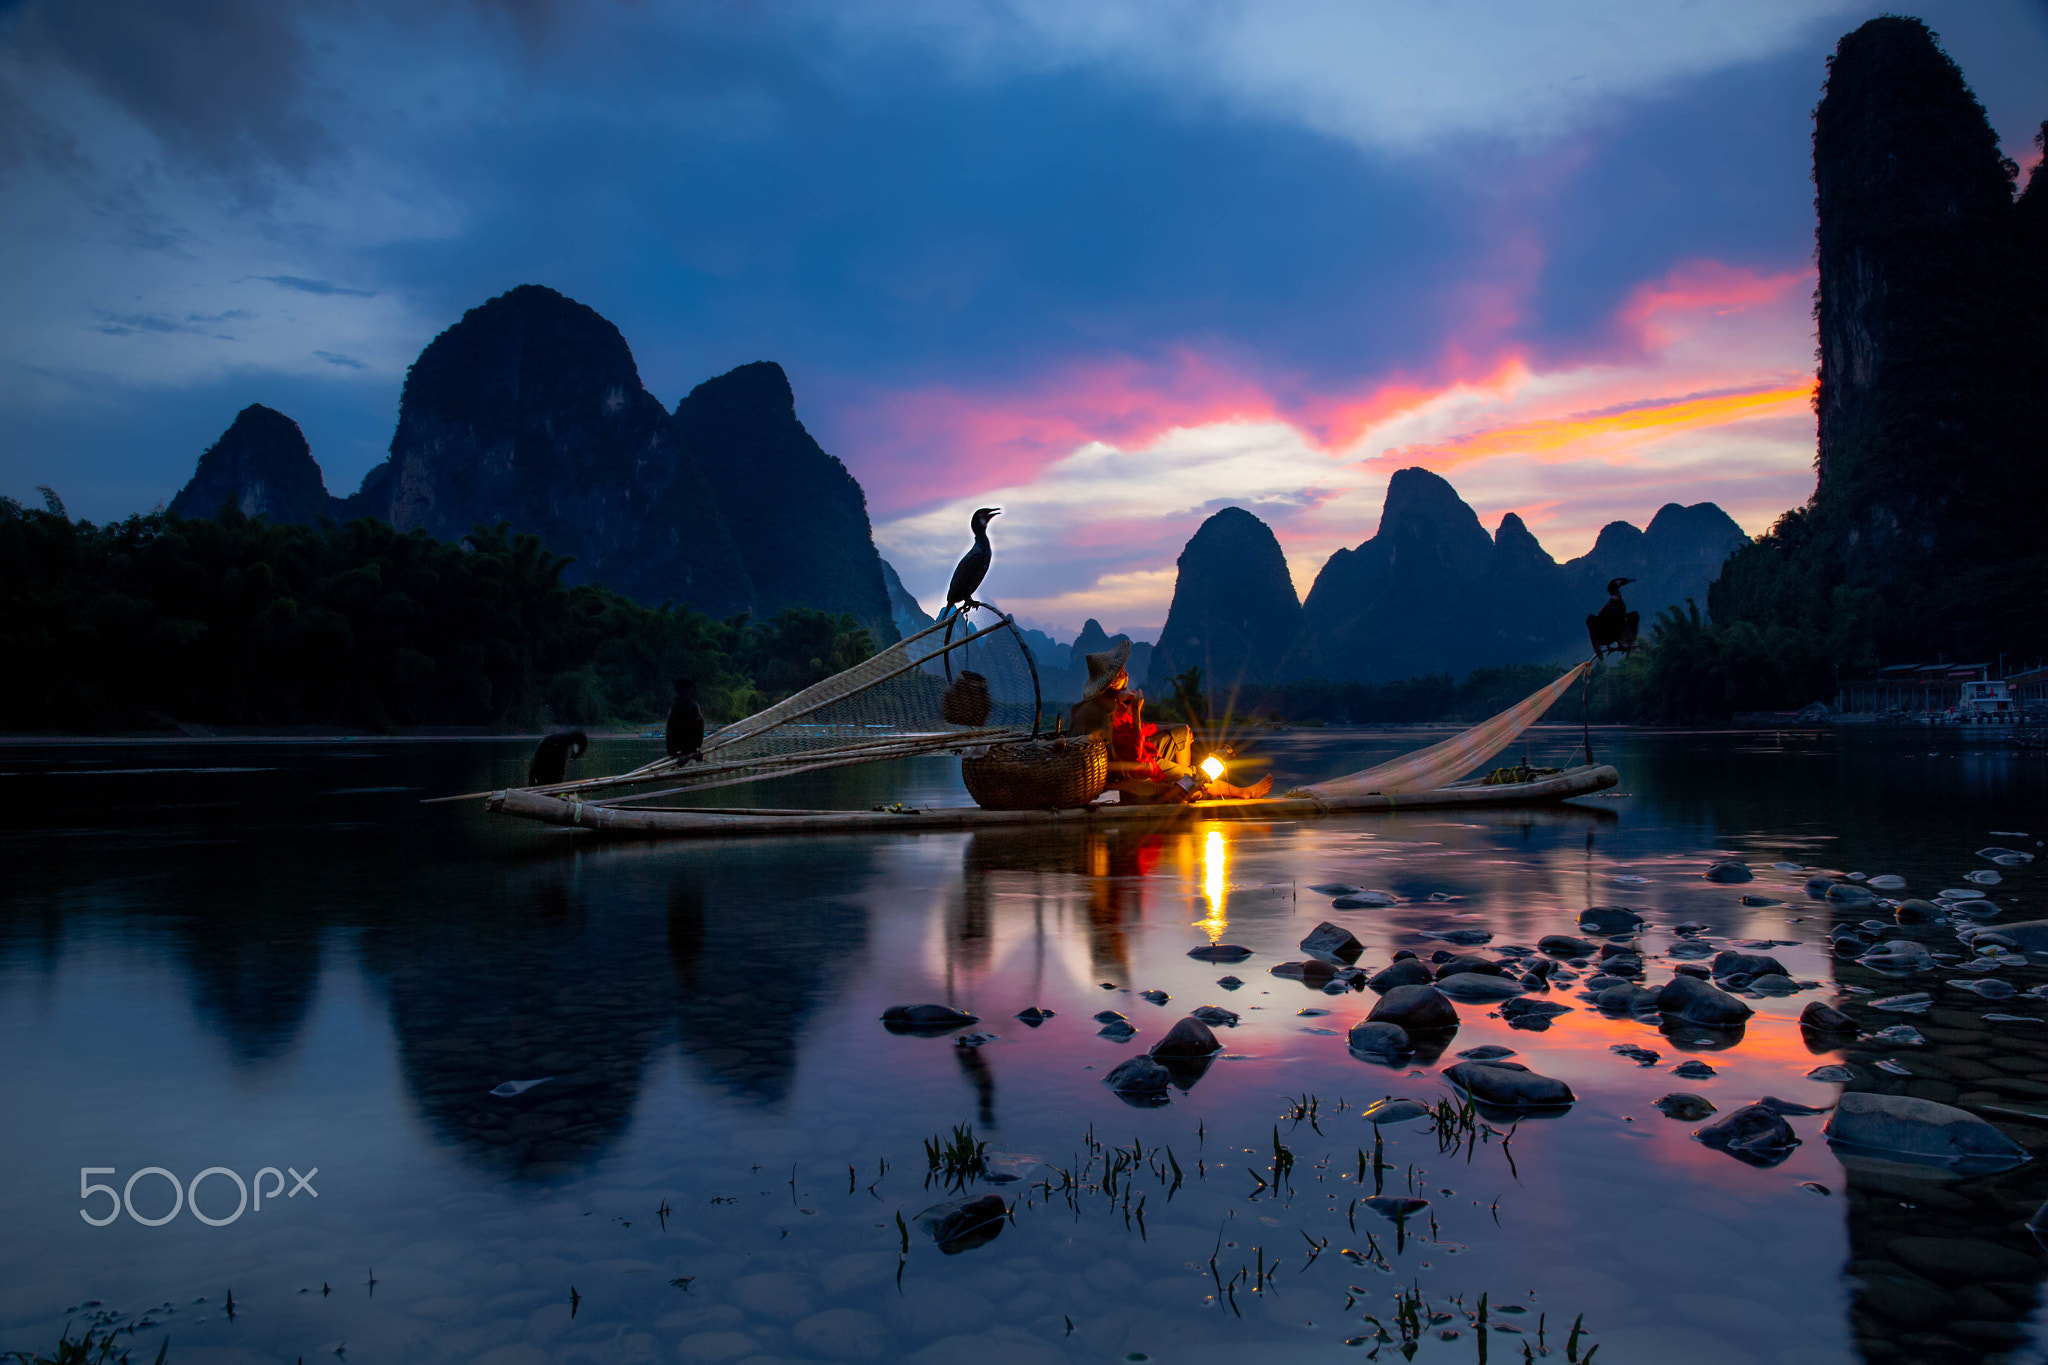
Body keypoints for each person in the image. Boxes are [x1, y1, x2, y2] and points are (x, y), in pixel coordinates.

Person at [1068, 640, 1272, 802]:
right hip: (1136, 765)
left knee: (1181, 732)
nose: (1127, 675)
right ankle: (1241, 792)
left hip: (1137, 754)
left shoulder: (1112, 703)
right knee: (1196, 773)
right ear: (1113, 683)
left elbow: (1139, 732)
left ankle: (1184, 788)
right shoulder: (1112, 712)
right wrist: (1137, 712)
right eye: (1122, 673)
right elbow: (1135, 754)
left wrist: (1168, 727)